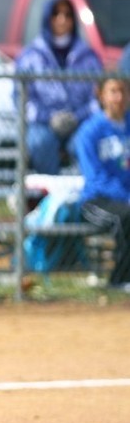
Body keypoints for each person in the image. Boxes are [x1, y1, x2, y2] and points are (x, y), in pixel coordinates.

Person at [14, 0, 102, 175]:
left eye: (67, 15)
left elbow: (97, 97)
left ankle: (84, 190)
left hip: (80, 121)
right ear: (48, 17)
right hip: (42, 123)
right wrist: (50, 118)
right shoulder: (32, 56)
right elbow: (21, 98)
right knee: (41, 143)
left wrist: (77, 117)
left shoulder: (87, 56)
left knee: (86, 141)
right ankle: (51, 188)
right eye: (56, 14)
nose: (62, 20)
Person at [71, 75, 130, 290]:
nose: (119, 97)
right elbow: (95, 178)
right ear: (102, 96)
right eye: (113, 91)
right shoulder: (89, 131)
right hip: (97, 201)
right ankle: (120, 280)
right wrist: (126, 197)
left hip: (126, 198)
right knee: (125, 217)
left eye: (123, 91)